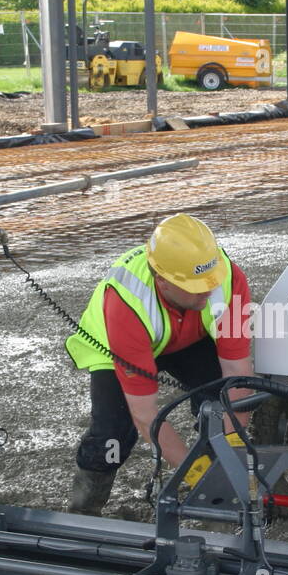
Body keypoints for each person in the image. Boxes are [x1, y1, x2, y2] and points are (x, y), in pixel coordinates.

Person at [65, 214, 254, 515]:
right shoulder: (127, 301)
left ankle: (218, 471)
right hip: (117, 342)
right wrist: (193, 474)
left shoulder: (229, 279)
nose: (208, 289)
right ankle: (84, 510)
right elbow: (145, 413)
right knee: (110, 436)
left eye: (210, 279)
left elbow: (238, 376)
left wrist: (230, 449)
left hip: (187, 337)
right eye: (196, 285)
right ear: (162, 281)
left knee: (220, 399)